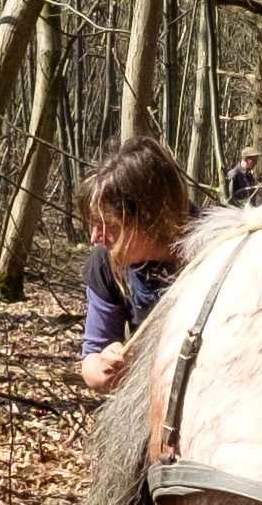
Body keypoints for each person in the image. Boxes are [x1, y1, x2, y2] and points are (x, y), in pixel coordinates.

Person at [76, 136, 197, 396]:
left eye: (109, 226)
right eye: (94, 225)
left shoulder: (214, 252)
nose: (95, 238)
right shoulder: (105, 261)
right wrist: (103, 368)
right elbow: (91, 359)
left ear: (151, 219)